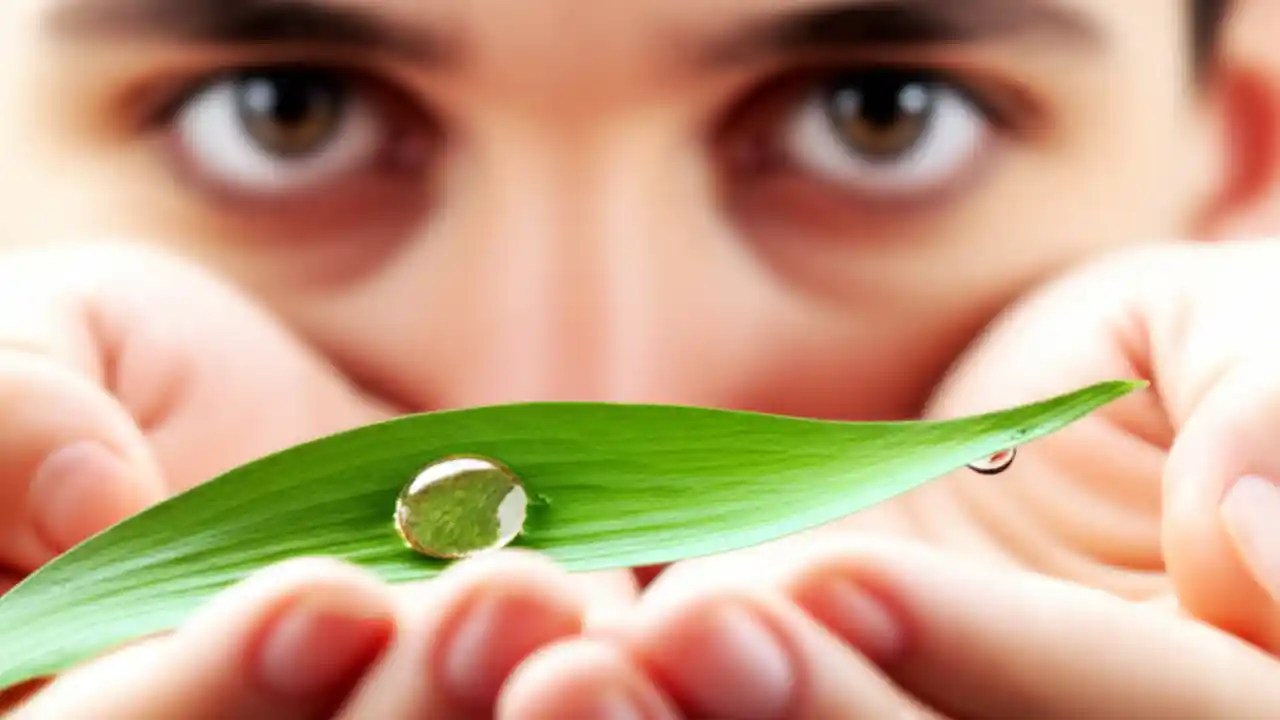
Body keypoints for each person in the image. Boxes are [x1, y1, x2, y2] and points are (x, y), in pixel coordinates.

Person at [1, 0, 1278, 717]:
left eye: (878, 112)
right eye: (285, 107)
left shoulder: (1158, 501)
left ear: (1243, 163)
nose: (595, 380)